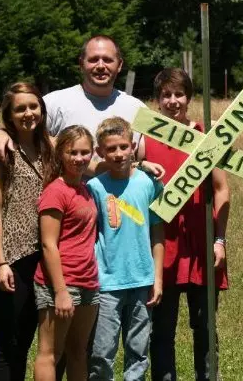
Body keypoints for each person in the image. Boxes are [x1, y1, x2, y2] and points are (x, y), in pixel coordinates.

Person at [138, 68, 230, 381]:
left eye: (179, 94)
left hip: (201, 245)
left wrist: (220, 240)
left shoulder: (206, 136)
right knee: (161, 329)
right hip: (163, 246)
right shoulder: (146, 137)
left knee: (204, 327)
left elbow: (221, 189)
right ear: (157, 100)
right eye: (166, 95)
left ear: (189, 98)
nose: (173, 101)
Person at [0, 34, 163, 177]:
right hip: (69, 212)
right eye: (93, 59)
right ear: (81, 64)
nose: (101, 66)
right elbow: (23, 129)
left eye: (107, 60)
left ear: (119, 65)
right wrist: (1, 132)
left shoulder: (138, 109)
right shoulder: (55, 103)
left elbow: (163, 149)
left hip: (123, 210)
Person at [87, 117, 164, 381]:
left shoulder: (148, 183)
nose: (118, 154)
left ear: (132, 146)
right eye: (111, 149)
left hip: (142, 279)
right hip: (107, 282)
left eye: (123, 147)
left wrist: (158, 278)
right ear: (100, 152)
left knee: (139, 351)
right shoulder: (94, 188)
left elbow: (157, 231)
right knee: (102, 351)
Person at [0, 82, 53, 380]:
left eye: (33, 106)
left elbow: (88, 161)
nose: (29, 113)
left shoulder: (48, 145)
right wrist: (0, 263)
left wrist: (138, 163)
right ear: (9, 116)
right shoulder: (0, 151)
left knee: (26, 338)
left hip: (43, 255)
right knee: (5, 341)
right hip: (12, 257)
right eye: (20, 108)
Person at [33, 126, 99, 380]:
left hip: (88, 281)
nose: (79, 158)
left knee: (78, 351)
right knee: (51, 352)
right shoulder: (55, 191)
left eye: (85, 152)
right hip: (60, 282)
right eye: (73, 152)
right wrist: (60, 291)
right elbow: (49, 244)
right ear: (60, 153)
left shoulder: (84, 188)